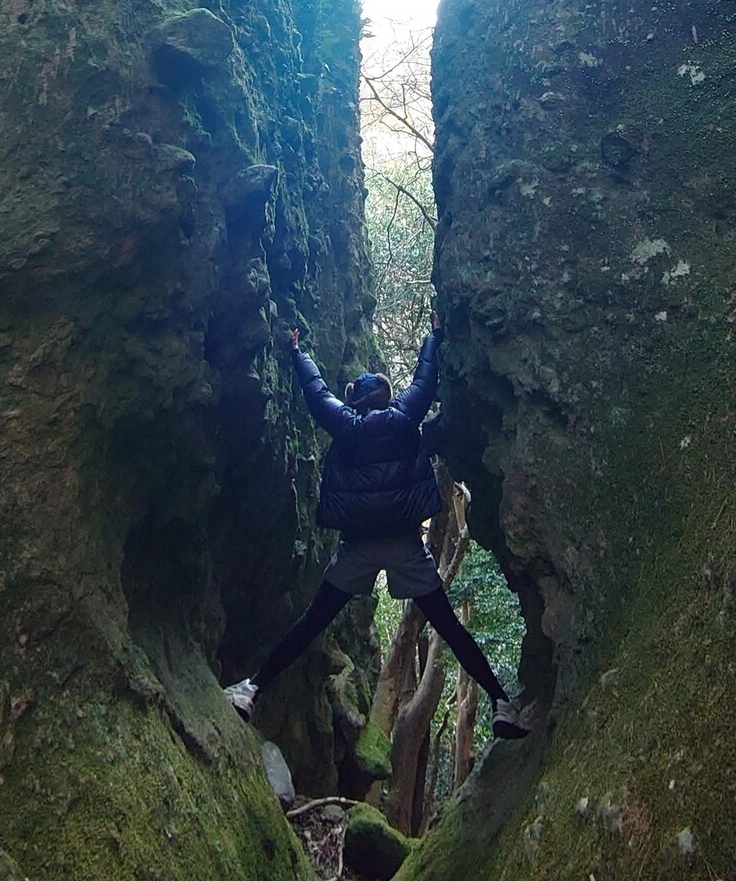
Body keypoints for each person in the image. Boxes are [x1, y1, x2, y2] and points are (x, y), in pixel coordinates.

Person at [223, 312, 529, 739]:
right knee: (449, 628)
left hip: (359, 548)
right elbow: (425, 378)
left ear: (357, 401)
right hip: (405, 545)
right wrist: (435, 334)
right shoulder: (405, 418)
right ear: (385, 397)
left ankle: (251, 689)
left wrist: (297, 352)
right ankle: (501, 702)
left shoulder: (345, 424)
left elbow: (316, 393)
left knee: (312, 622)